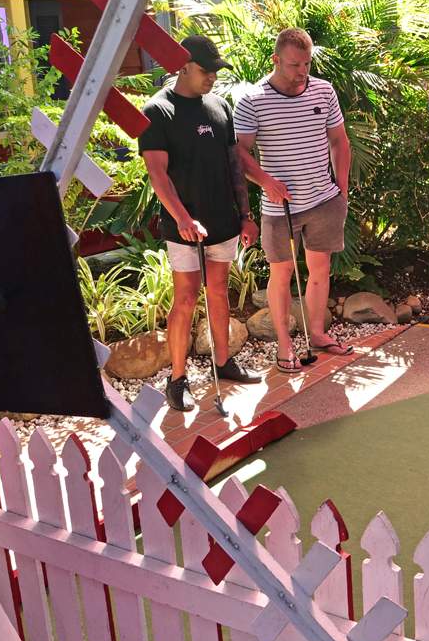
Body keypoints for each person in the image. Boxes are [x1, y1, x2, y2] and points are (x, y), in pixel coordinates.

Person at [139, 34, 261, 412]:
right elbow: (158, 174)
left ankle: (222, 362)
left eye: (214, 70)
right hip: (183, 227)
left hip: (223, 220)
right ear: (183, 66)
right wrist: (182, 218)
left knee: (220, 290)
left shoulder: (220, 107)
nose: (212, 76)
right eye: (205, 70)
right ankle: (177, 380)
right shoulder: (158, 112)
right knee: (187, 297)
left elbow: (234, 165)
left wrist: (245, 215)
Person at [235, 27, 352, 373]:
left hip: (323, 201)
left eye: (307, 63)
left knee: (320, 271)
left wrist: (341, 189)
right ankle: (285, 346)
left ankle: (317, 334)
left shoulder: (323, 90)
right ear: (275, 60)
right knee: (282, 274)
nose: (302, 72)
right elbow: (240, 154)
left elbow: (339, 141)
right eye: (294, 65)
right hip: (279, 207)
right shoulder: (253, 100)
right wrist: (265, 181)